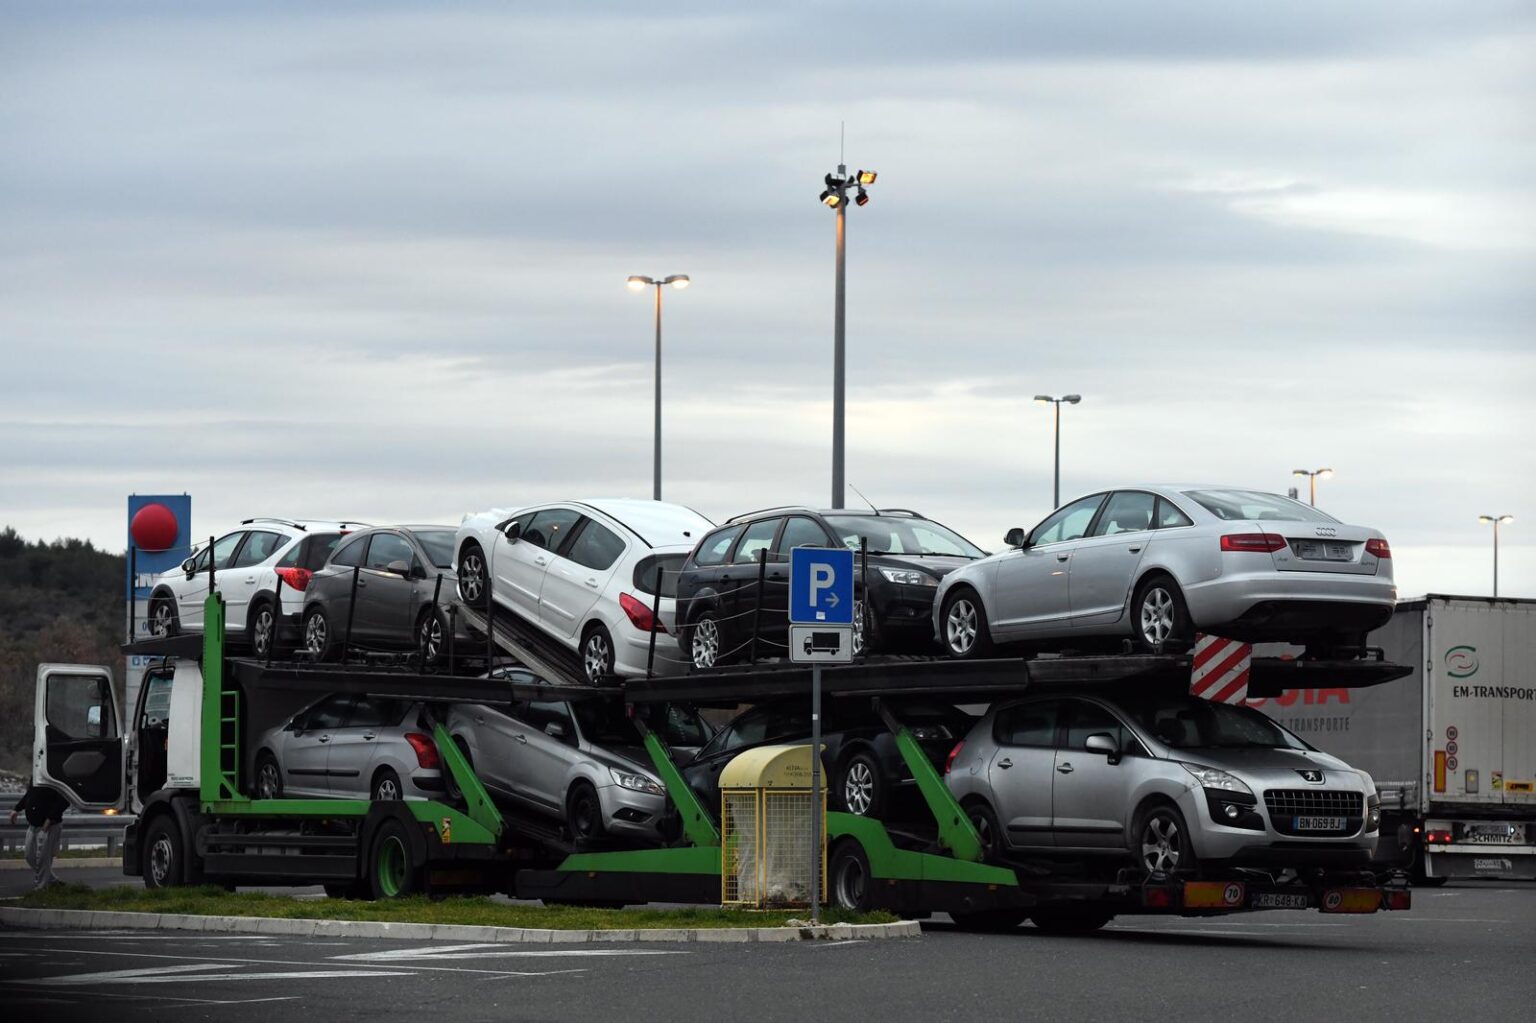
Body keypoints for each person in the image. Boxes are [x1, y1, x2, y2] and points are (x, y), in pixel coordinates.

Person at [9, 783, 69, 890]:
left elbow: (65, 800)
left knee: (43, 858)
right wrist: (17, 809)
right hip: (33, 825)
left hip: (49, 826)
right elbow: (30, 794)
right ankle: (51, 880)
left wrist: (50, 818)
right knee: (29, 856)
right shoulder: (37, 776)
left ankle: (42, 887)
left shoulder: (55, 779)